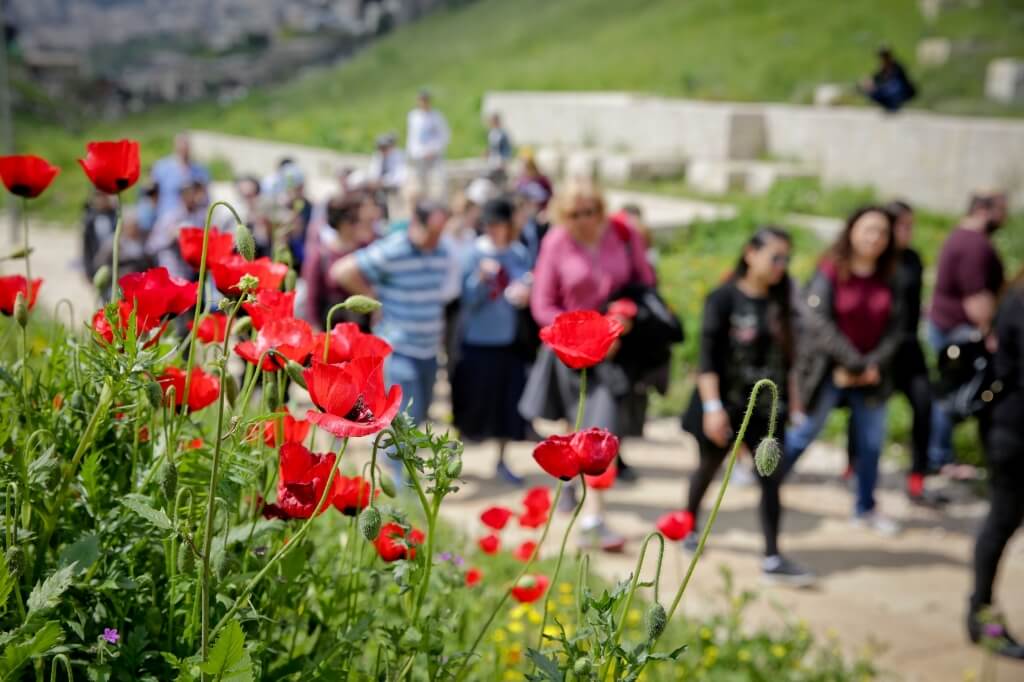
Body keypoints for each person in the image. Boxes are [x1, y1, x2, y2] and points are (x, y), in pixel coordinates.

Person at [520, 178, 655, 552]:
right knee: (571, 419)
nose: (584, 219)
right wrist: (580, 334)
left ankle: (593, 517)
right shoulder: (556, 242)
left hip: (614, 347)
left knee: (599, 430)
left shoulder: (623, 234)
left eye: (591, 211)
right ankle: (568, 484)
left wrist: (623, 316)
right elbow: (542, 304)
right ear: (564, 214)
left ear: (601, 208)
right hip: (570, 346)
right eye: (575, 213)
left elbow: (645, 283)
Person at [680, 227, 813, 585]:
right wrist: (712, 407)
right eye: (775, 257)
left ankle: (772, 554)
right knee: (709, 467)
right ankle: (688, 526)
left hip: (768, 410)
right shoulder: (723, 299)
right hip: (726, 401)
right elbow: (706, 359)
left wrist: (796, 402)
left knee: (771, 478)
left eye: (786, 259)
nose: (780, 266)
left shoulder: (782, 299)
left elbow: (789, 359)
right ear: (750, 253)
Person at [783, 206, 903, 535]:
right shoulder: (830, 270)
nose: (874, 237)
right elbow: (817, 323)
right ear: (851, 231)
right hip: (830, 369)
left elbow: (898, 329)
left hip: (872, 374)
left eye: (882, 231)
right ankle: (769, 482)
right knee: (804, 431)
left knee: (871, 442)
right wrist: (850, 363)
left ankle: (865, 506)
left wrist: (871, 365)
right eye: (868, 229)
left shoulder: (892, 275)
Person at [330, 199, 451, 429]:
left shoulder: (442, 250)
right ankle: (395, 464)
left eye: (440, 233)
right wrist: (371, 300)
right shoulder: (394, 249)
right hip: (400, 348)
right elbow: (341, 271)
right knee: (405, 420)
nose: (435, 240)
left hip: (430, 351)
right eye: (432, 233)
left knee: (421, 415)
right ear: (416, 224)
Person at [452, 197, 533, 484]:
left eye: (500, 225)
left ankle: (501, 459)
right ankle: (453, 460)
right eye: (490, 225)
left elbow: (527, 280)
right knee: (470, 403)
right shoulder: (473, 254)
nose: (495, 230)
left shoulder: (518, 252)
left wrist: (525, 290)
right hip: (477, 341)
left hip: (509, 342)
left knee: (506, 405)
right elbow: (467, 300)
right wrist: (480, 280)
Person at [927, 192, 1007, 475]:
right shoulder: (974, 244)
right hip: (958, 331)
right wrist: (990, 332)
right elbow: (976, 299)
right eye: (1002, 210)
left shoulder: (963, 236)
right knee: (952, 396)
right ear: (984, 210)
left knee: (948, 393)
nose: (1006, 217)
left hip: (948, 326)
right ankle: (939, 457)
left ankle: (939, 455)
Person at [967, 268, 1024, 660]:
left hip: (1007, 426)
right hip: (1014, 433)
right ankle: (980, 614)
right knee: (1002, 520)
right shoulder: (1019, 301)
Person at [302, 192, 379, 330]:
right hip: (332, 331)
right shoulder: (321, 256)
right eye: (357, 221)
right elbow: (311, 302)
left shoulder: (368, 248)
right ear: (345, 224)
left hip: (364, 330)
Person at [147, 179, 211, 278]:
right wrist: (171, 236)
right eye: (188, 193)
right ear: (182, 196)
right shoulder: (170, 217)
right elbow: (151, 246)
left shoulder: (200, 216)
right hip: (172, 272)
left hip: (193, 273)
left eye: (194, 193)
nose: (193, 197)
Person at [150, 133, 210, 222]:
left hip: (192, 217)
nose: (183, 149)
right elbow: (152, 194)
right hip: (167, 216)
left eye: (186, 146)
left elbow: (205, 196)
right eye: (181, 146)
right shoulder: (161, 167)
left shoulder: (200, 170)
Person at [406, 89, 450, 200]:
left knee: (437, 184)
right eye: (421, 100)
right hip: (418, 156)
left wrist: (434, 150)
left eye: (425, 100)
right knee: (419, 186)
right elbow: (412, 137)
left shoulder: (437, 116)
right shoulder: (413, 116)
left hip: (433, 156)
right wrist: (411, 153)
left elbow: (444, 135)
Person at [859, 47, 916, 113]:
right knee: (872, 90)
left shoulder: (897, 67)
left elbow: (898, 81)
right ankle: (888, 105)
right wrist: (868, 83)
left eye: (884, 56)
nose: (882, 59)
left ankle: (894, 105)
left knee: (892, 87)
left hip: (902, 91)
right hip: (890, 91)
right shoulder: (883, 68)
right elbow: (875, 78)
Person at [81, 191, 119, 285]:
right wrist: (88, 271)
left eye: (104, 197)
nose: (101, 201)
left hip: (113, 266)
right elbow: (86, 248)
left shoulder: (115, 217)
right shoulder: (90, 220)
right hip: (96, 265)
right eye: (98, 198)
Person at [485, 112, 513, 176]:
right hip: (492, 159)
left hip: (500, 160)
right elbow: (492, 146)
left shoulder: (503, 133)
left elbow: (507, 148)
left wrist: (505, 160)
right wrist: (487, 152)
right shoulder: (491, 132)